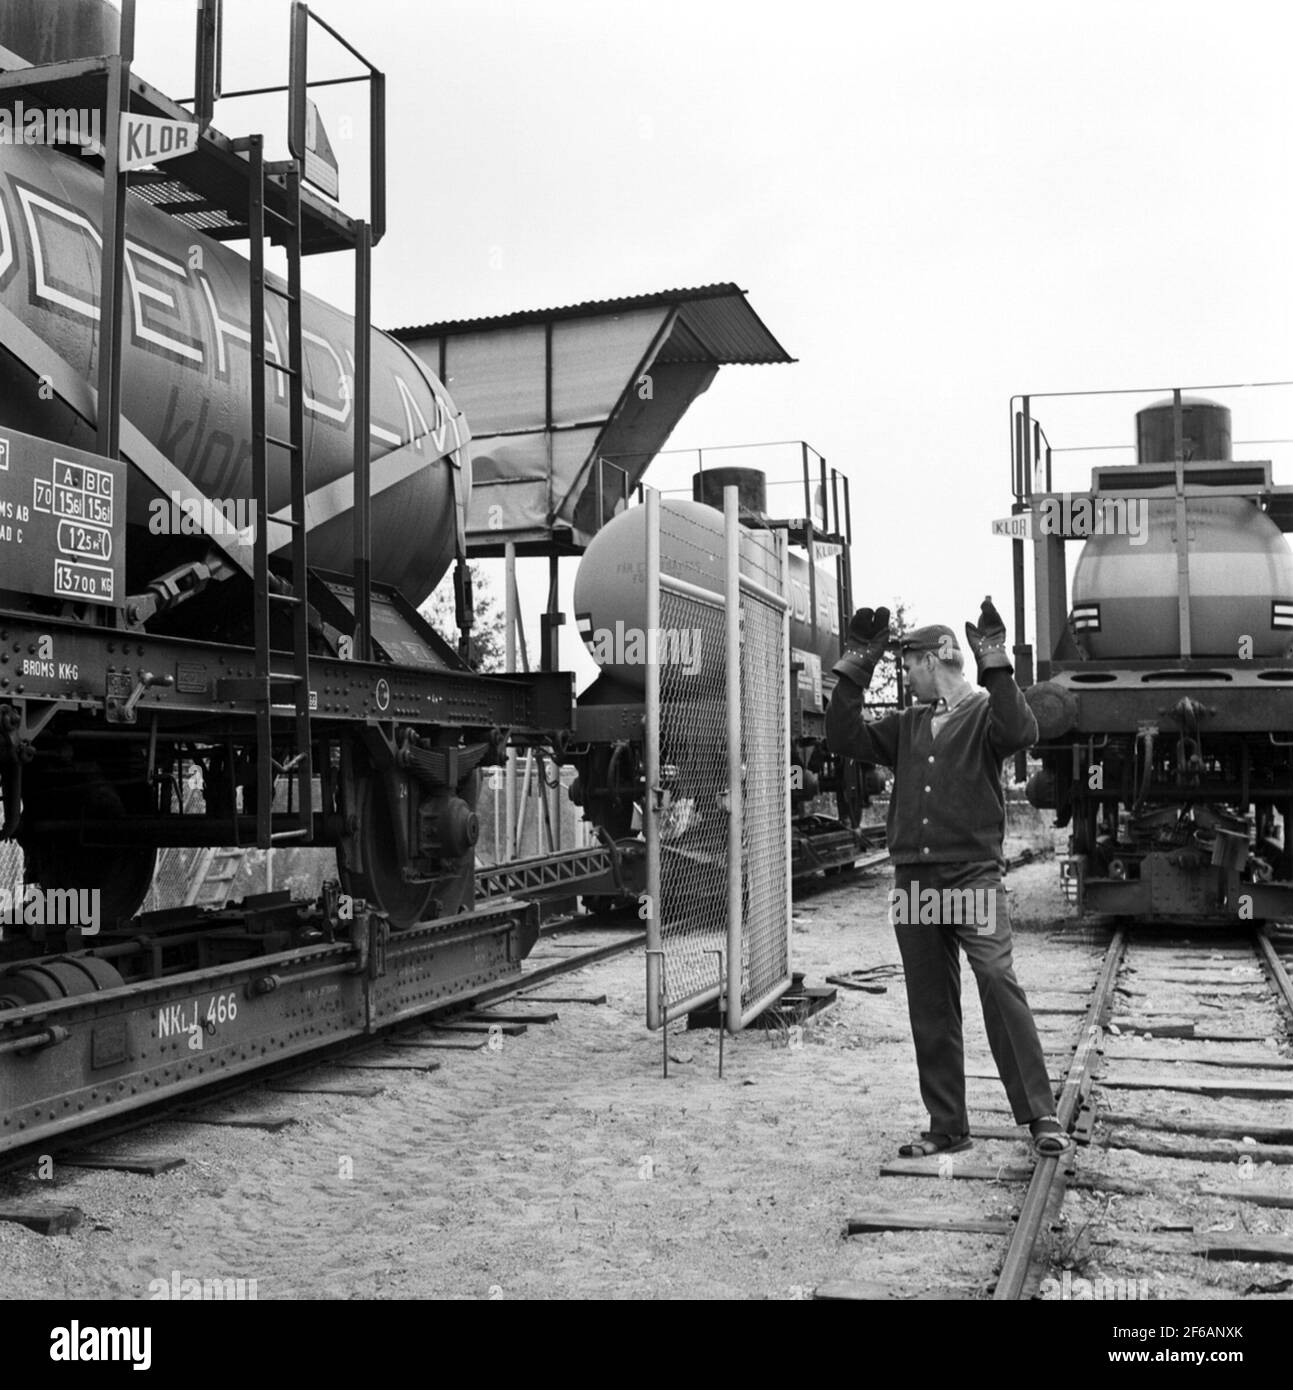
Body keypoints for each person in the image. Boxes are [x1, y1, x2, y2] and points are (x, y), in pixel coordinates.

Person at [824, 597, 1070, 1158]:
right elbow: (843, 736)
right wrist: (856, 662)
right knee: (931, 1002)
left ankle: (1040, 1116)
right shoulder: (907, 725)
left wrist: (996, 659)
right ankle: (947, 1125)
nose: (904, 675)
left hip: (971, 877)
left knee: (997, 981)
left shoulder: (986, 712)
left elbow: (1022, 730)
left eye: (908, 664)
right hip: (914, 881)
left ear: (937, 658)